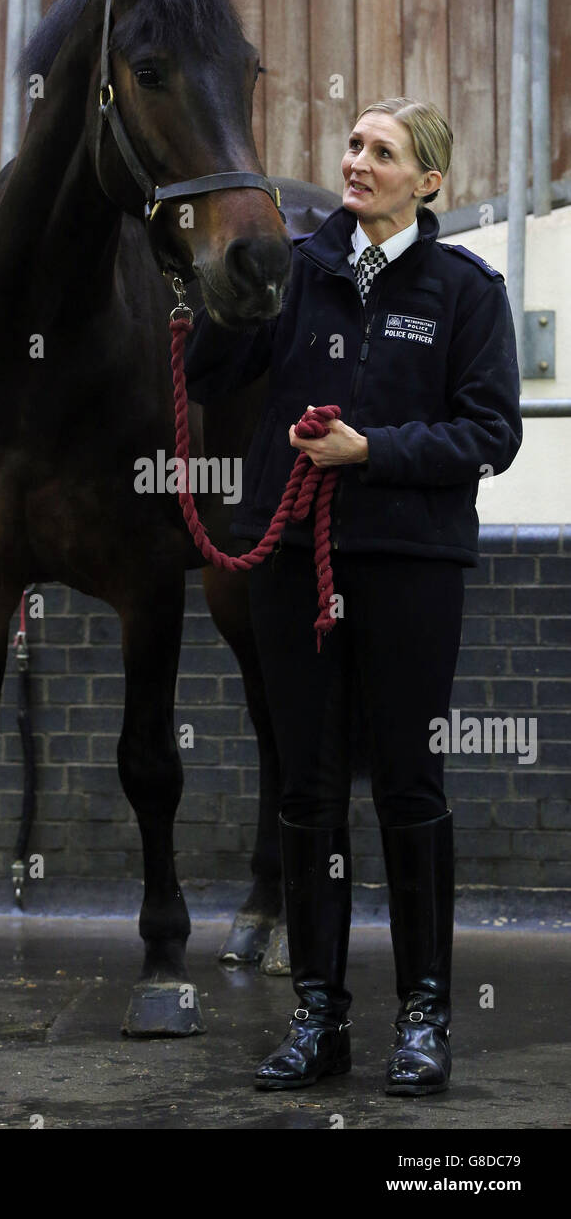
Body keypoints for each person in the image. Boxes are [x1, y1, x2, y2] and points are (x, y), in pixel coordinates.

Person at [183, 97, 523, 1096]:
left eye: (384, 151)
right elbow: (211, 374)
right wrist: (210, 289)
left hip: (409, 564)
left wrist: (371, 451)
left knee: (410, 788)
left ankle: (423, 1016)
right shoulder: (295, 271)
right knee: (306, 788)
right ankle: (318, 1016)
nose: (358, 161)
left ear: (428, 182)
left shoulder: (464, 290)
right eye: (353, 145)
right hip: (294, 560)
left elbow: (490, 433)